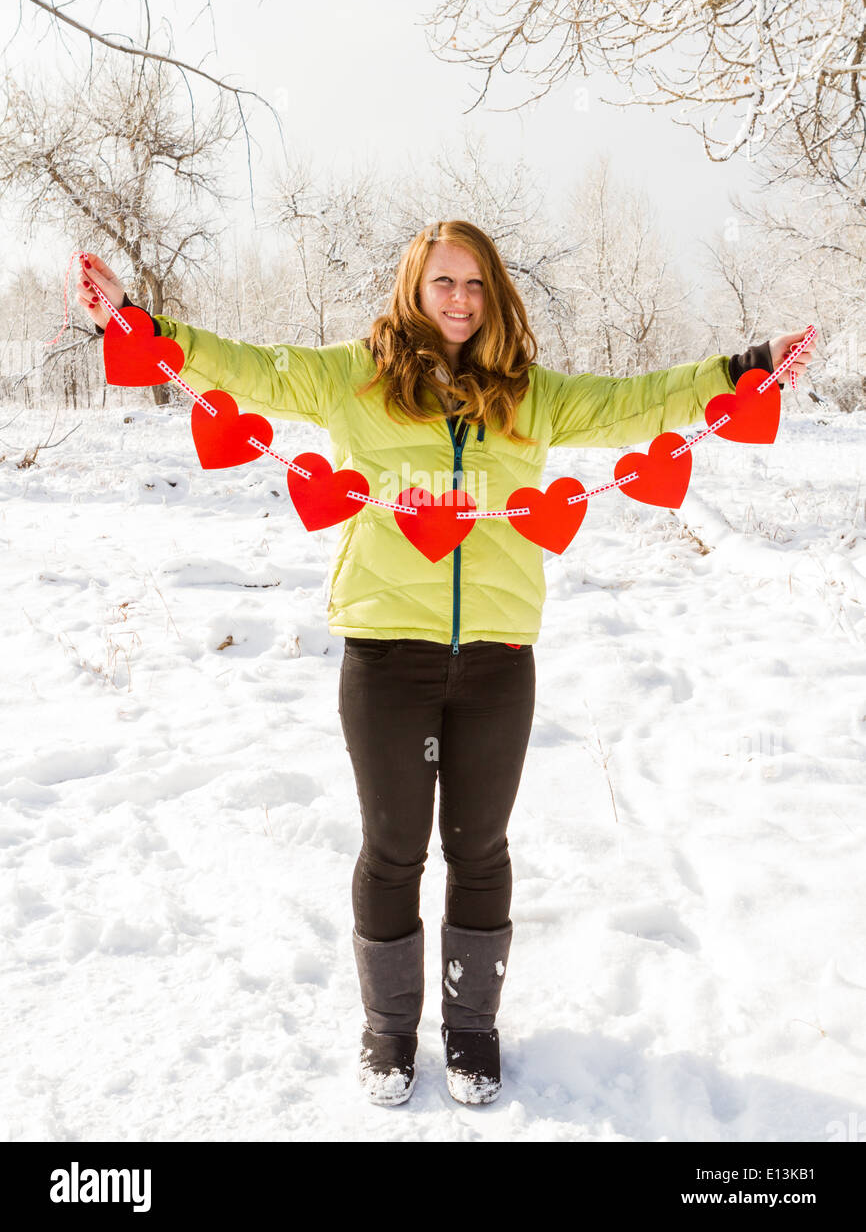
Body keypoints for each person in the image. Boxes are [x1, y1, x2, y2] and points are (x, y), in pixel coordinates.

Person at [76, 223, 815, 1108]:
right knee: (393, 850)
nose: (458, 299)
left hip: (499, 658)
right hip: (387, 654)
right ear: (413, 290)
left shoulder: (530, 397)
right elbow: (249, 369)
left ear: (495, 293)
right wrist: (132, 319)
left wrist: (742, 366)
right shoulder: (354, 379)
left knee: (481, 849)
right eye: (442, 283)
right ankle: (388, 1034)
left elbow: (638, 398)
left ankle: (473, 1031)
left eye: (473, 283)